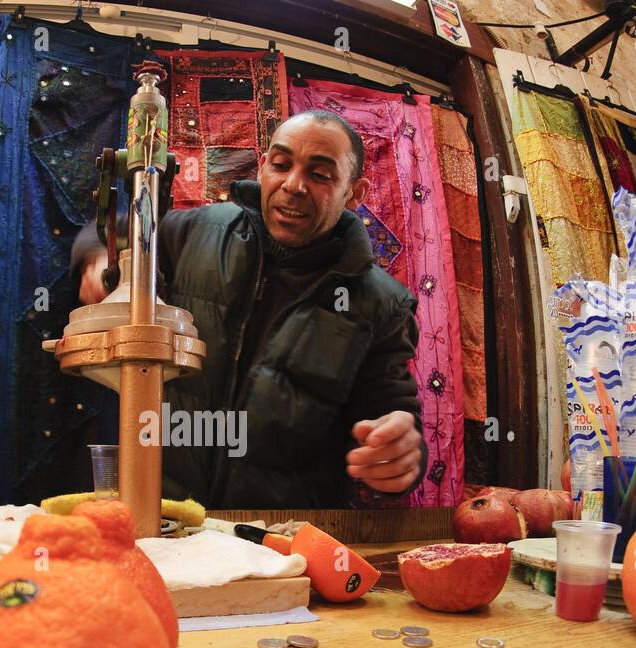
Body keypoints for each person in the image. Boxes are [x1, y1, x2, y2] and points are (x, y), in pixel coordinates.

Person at [72, 109, 425, 507]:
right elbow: (120, 234)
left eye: (320, 174)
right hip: (164, 514)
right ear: (262, 168)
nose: (293, 185)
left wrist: (399, 455)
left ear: (354, 194)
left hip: (276, 540)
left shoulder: (382, 303)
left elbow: (390, 413)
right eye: (281, 164)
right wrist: (99, 258)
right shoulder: (193, 232)